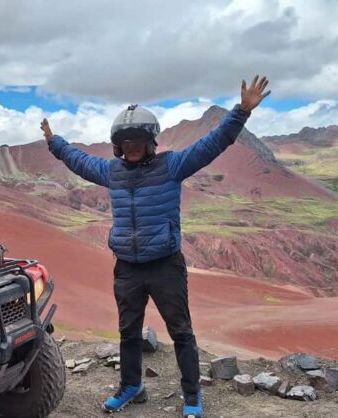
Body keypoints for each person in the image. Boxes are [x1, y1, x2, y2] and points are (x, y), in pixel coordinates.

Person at [41, 76, 270, 417]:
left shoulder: (172, 165)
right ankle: (131, 385)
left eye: (137, 141)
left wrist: (241, 112)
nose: (131, 148)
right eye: (125, 143)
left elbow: (213, 143)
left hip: (165, 265)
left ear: (150, 143)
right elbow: (78, 160)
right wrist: (54, 142)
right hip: (128, 267)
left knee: (180, 331)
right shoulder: (111, 171)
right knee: (128, 332)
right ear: (118, 146)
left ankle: (192, 395)